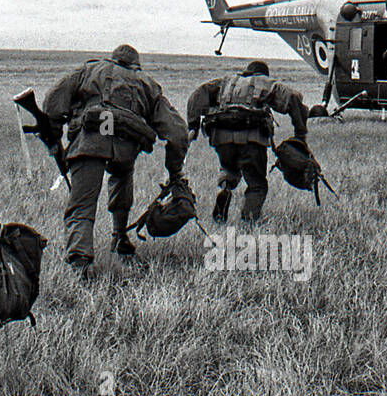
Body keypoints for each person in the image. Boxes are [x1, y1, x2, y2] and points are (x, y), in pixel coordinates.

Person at [42, 44, 187, 277]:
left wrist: (54, 136)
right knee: (122, 179)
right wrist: (174, 170)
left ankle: (80, 262)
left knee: (82, 204)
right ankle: (120, 238)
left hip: (89, 143)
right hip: (125, 148)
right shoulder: (147, 83)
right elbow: (177, 132)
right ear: (136, 64)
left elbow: (53, 102)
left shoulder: (89, 70)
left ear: (113, 59)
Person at [187, 61, 309, 223]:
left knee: (229, 168)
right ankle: (249, 222)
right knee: (256, 183)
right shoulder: (264, 82)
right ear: (263, 74)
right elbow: (293, 97)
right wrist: (300, 133)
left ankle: (225, 189)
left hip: (221, 137)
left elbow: (198, 93)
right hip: (251, 137)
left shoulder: (226, 81)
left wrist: (193, 125)